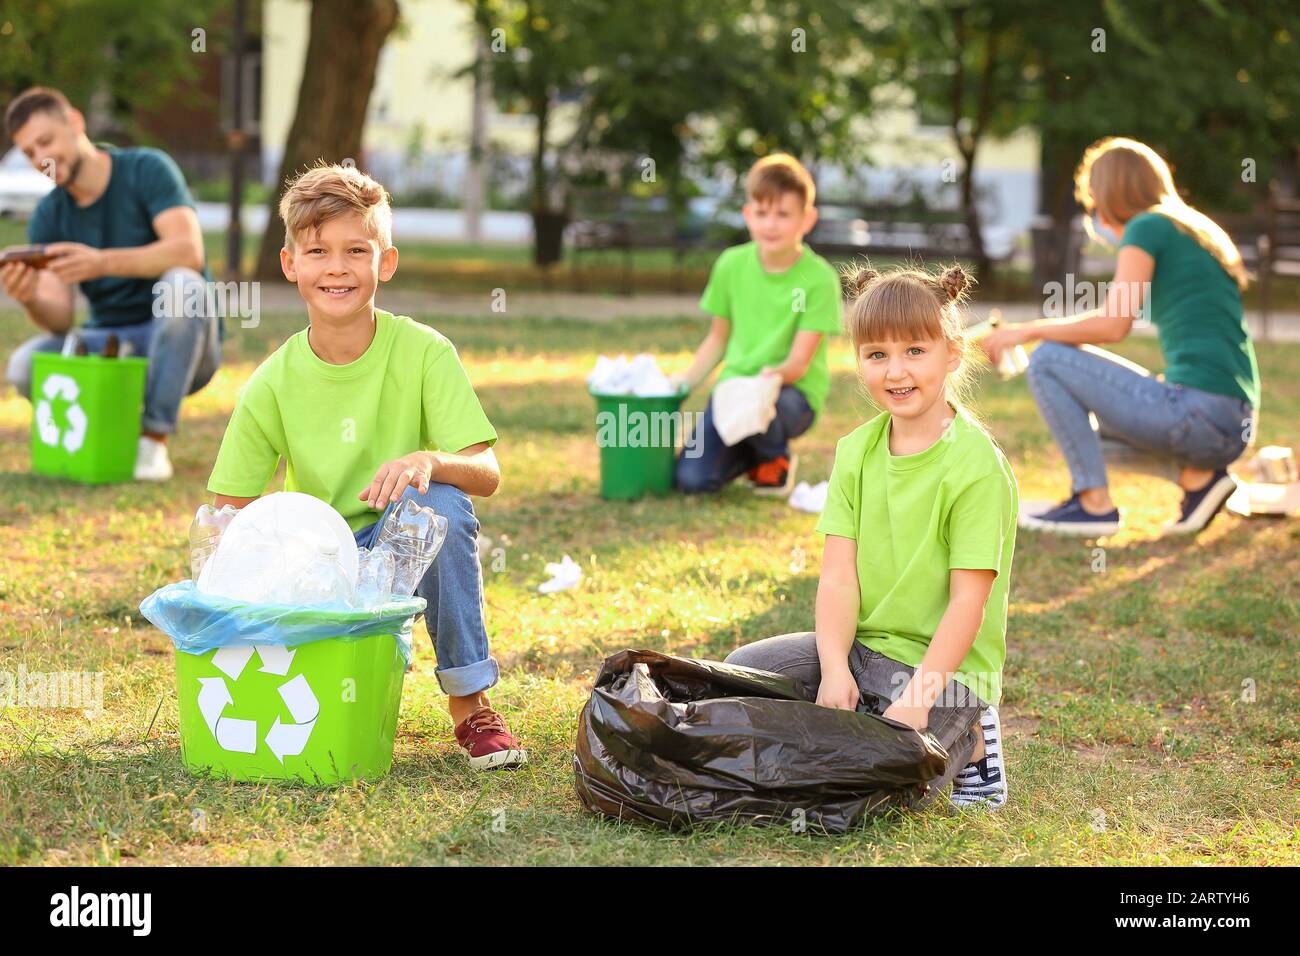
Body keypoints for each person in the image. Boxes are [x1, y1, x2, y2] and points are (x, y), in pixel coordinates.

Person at [205, 163, 525, 770]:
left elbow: (486, 472)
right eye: (318, 251)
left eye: (356, 250)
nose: (337, 267)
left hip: (402, 538)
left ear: (386, 262)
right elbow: (230, 512)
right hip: (323, 560)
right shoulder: (272, 381)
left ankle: (471, 704)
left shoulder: (425, 351)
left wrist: (429, 459)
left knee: (444, 507)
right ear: (289, 264)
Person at [726, 264, 1016, 809]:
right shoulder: (855, 452)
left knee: (878, 791)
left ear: (952, 354)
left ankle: (974, 739)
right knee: (744, 675)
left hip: (943, 670)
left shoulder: (977, 467)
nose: (895, 370)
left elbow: (967, 605)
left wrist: (919, 698)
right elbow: (837, 578)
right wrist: (834, 669)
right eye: (877, 354)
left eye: (915, 351)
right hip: (863, 650)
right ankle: (863, 711)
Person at [982, 137, 1259, 535]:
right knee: (1091, 422)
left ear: (1110, 192)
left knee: (1047, 360)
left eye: (1093, 197)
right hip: (1231, 421)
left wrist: (1025, 332)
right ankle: (1199, 480)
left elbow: (1114, 324)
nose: (1092, 209)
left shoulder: (1147, 226)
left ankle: (1093, 505)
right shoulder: (1191, 229)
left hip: (1202, 414)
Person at [1, 87, 221, 482]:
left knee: (182, 285)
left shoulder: (147, 168)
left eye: (46, 141)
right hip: (110, 345)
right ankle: (115, 427)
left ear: (75, 123)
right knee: (22, 366)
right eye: (30, 152)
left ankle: (151, 443)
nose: (41, 159)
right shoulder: (49, 215)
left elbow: (189, 252)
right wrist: (31, 297)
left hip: (181, 342)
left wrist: (100, 262)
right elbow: (60, 318)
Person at [673, 153, 843, 496]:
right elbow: (718, 340)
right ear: (748, 215)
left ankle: (773, 461)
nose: (771, 224)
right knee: (691, 480)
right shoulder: (731, 265)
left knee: (762, 406)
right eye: (762, 213)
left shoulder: (819, 278)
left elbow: (798, 364)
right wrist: (680, 386)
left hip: (789, 395)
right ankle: (751, 456)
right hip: (733, 391)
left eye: (783, 214)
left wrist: (760, 384)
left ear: (806, 219)